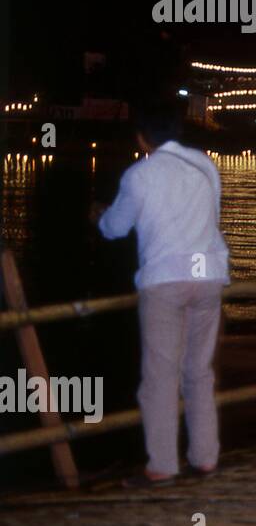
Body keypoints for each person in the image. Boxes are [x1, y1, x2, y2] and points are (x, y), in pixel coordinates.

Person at [93, 101, 230, 487]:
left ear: (142, 136)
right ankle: (205, 457)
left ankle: (163, 465)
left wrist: (98, 218)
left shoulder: (140, 174)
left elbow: (116, 228)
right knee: (199, 372)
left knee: (160, 375)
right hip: (208, 273)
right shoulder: (206, 165)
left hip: (166, 277)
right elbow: (212, 216)